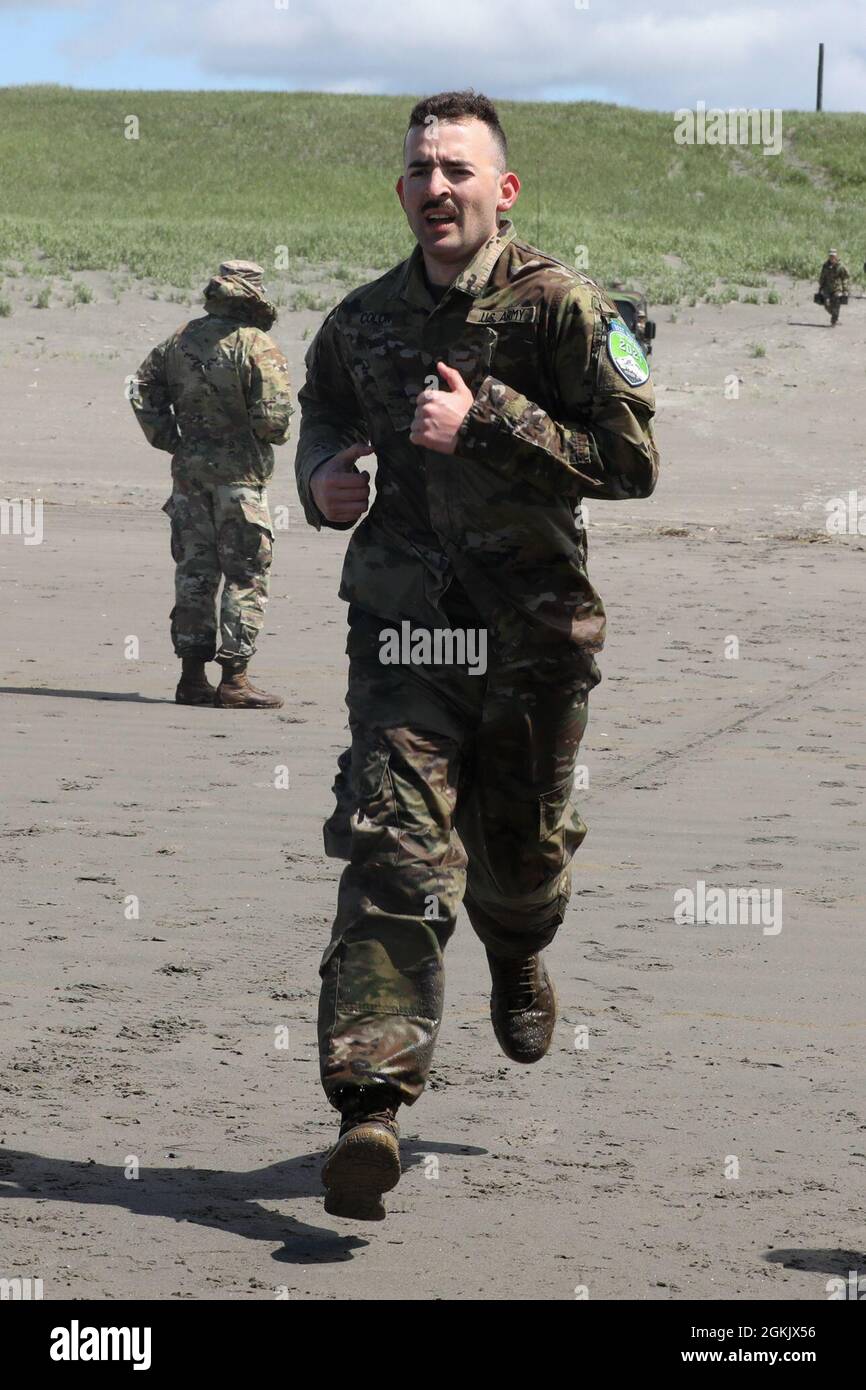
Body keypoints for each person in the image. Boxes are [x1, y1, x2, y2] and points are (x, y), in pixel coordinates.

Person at [294, 91, 659, 1220]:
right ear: (399, 191)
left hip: (534, 638)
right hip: (406, 635)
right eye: (418, 169)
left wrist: (489, 418)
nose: (435, 186)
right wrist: (322, 483)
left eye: (457, 168)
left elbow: (630, 457)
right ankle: (369, 1106)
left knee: (522, 857)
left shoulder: (564, 305)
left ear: (501, 190)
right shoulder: (357, 322)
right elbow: (318, 416)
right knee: (393, 859)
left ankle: (518, 947)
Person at [131, 260, 292, 707]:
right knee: (246, 575)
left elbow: (141, 388)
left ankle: (191, 678)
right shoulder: (257, 345)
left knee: (195, 575)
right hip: (241, 480)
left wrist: (169, 438)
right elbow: (275, 420)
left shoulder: (178, 341)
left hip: (189, 480)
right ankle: (235, 681)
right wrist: (260, 432)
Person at [818, 250, 850, 326]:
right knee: (827, 305)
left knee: (836, 303)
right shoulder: (825, 265)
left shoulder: (840, 266)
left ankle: (834, 321)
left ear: (836, 256)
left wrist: (845, 290)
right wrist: (820, 287)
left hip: (837, 289)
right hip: (827, 288)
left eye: (833, 256)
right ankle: (835, 316)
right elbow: (822, 277)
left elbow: (845, 278)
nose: (832, 257)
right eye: (830, 256)